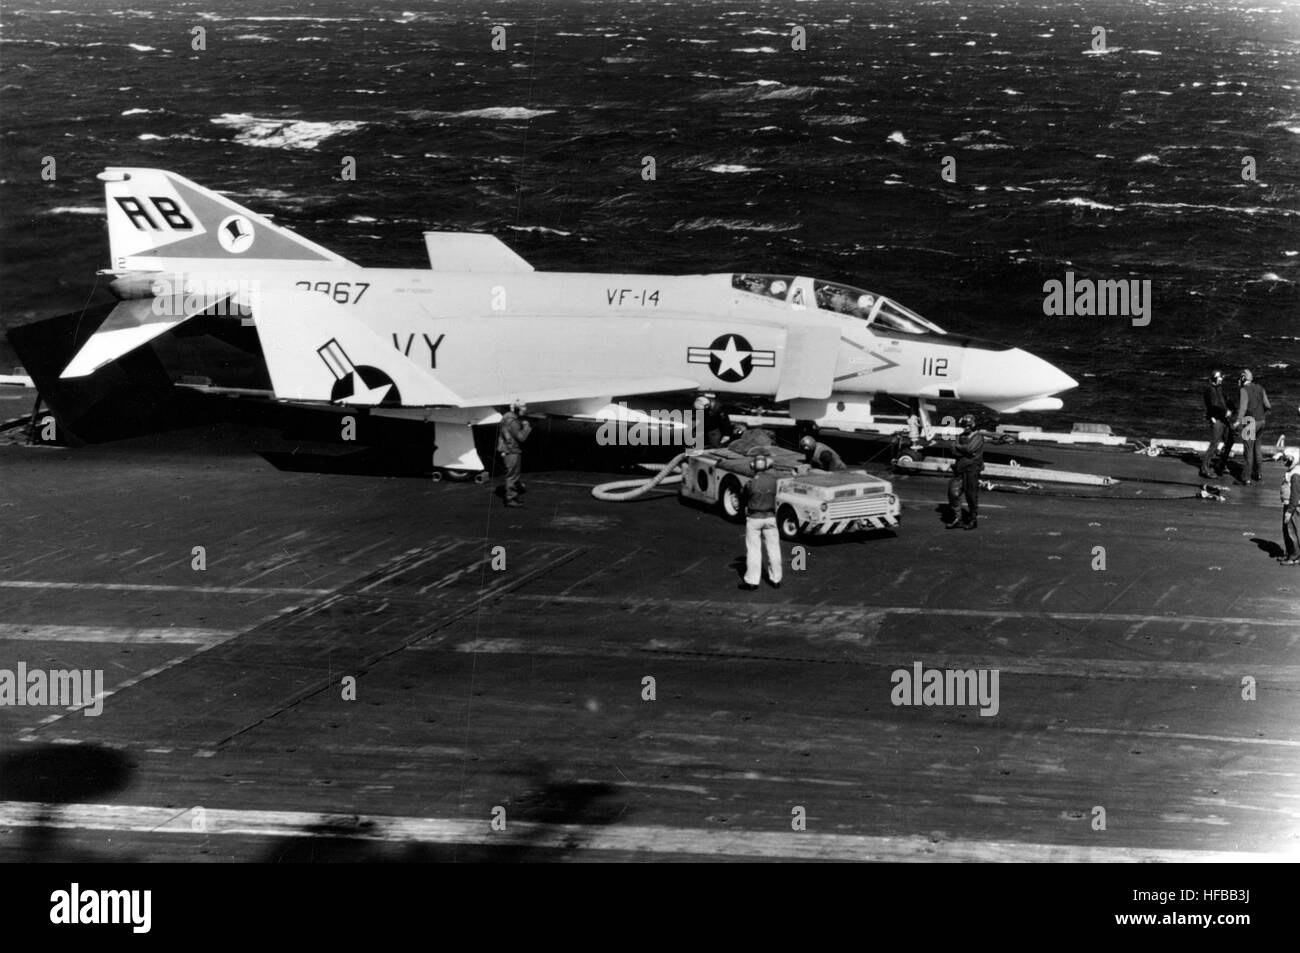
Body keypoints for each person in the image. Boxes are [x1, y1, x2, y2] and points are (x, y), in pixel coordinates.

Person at [739, 455, 782, 590]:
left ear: (753, 467)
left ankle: (752, 581)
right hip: (770, 517)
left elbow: (743, 498)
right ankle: (776, 579)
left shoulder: (750, 483)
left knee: (753, 550)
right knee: (774, 549)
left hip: (754, 518)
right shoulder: (774, 481)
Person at [946, 414, 984, 530]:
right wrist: (963, 450)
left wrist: (959, 447)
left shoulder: (978, 437)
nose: (966, 428)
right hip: (960, 468)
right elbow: (952, 449)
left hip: (972, 469)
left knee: (971, 495)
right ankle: (958, 518)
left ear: (973, 425)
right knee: (953, 492)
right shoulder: (961, 436)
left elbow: (970, 449)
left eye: (968, 425)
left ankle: (973, 519)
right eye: (964, 425)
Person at [1234, 369, 1272, 483]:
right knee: (1257, 448)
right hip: (1261, 421)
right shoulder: (1260, 388)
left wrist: (1237, 421)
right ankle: (1258, 473)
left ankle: (1246, 478)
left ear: (1242, 379)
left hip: (1249, 421)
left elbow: (1243, 408)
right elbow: (1268, 405)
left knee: (1248, 450)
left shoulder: (1244, 390)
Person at [1199, 370, 1234, 478]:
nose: (1221, 379)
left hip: (1223, 419)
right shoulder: (1210, 390)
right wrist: (1225, 412)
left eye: (1221, 377)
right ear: (1214, 379)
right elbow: (1214, 404)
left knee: (1229, 441)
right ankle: (1204, 469)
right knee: (1214, 444)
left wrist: (1232, 407)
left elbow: (1223, 400)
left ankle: (1221, 465)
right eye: (1219, 377)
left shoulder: (1218, 388)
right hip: (1218, 419)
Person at [497, 400, 531, 507]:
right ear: (517, 409)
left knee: (512, 475)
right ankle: (511, 499)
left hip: (508, 450)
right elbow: (521, 437)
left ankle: (514, 493)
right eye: (523, 408)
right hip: (512, 451)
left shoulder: (507, 418)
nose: (525, 410)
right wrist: (526, 426)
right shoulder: (512, 421)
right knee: (512, 476)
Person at [1280, 447, 1300, 565]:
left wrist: (1290, 510)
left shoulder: (1295, 474)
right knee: (1287, 530)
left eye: (1286, 459)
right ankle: (1290, 553)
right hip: (1289, 505)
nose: (1284, 462)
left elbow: (1295, 494)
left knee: (1291, 531)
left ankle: (1294, 556)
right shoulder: (1293, 470)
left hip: (1292, 506)